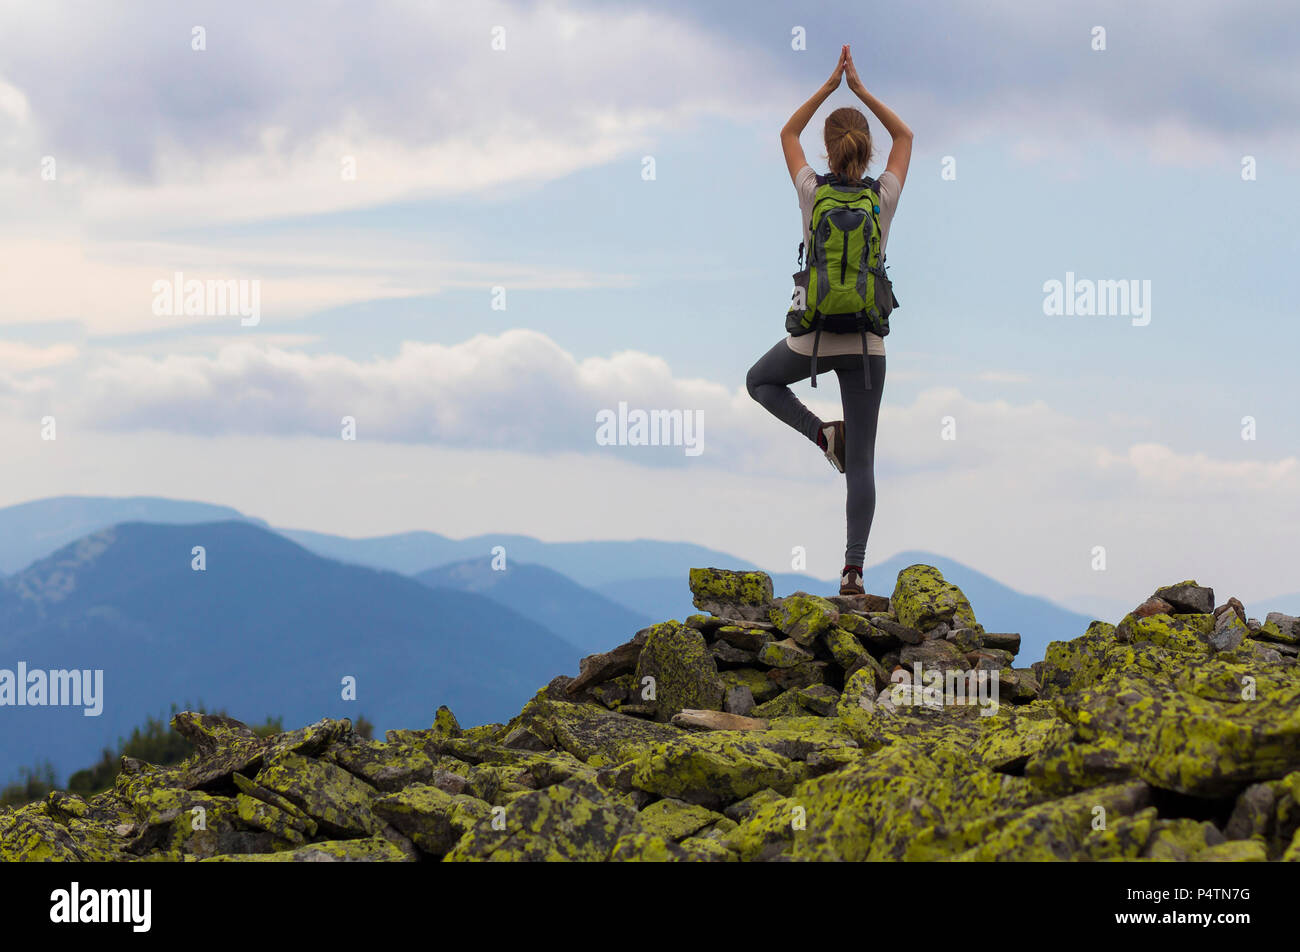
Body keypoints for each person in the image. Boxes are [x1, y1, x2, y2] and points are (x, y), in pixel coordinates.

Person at [746, 45, 912, 596]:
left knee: (759, 381)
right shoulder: (881, 196)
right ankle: (853, 571)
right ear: (867, 152)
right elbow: (906, 137)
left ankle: (821, 434)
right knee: (862, 463)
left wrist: (828, 86)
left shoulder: (810, 191)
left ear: (827, 146)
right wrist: (860, 90)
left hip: (814, 339)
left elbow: (785, 135)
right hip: (867, 345)